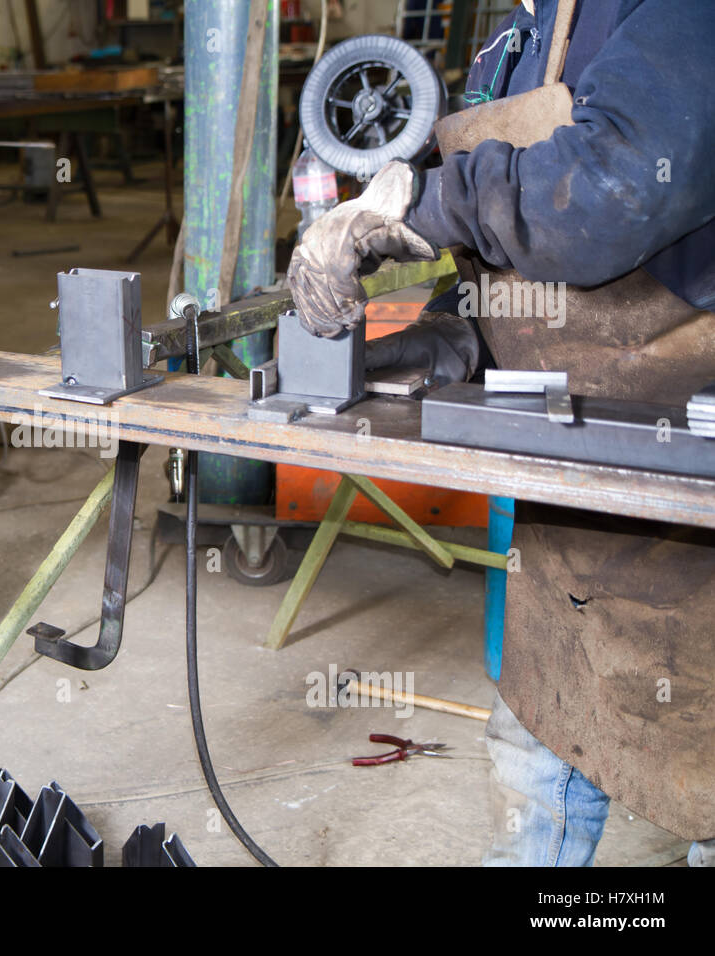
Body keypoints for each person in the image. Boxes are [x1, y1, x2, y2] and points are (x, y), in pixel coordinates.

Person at [287, 0, 715, 866]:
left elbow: (605, 194)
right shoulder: (512, 36)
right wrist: (456, 335)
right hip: (575, 501)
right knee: (544, 731)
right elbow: (518, 261)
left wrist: (416, 207)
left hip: (690, 482)